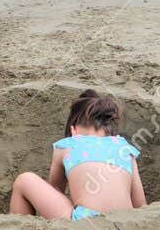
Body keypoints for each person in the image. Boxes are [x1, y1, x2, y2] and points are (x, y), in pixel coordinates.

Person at [9, 89, 146, 220]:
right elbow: (141, 205)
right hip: (125, 223)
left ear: (73, 129)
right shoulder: (125, 148)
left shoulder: (66, 145)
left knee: (24, 180)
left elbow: (56, 190)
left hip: (85, 221)